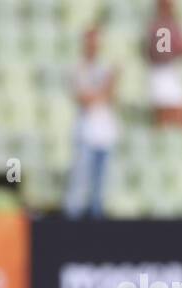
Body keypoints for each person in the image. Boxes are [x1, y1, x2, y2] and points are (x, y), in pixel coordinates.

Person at [64, 26, 118, 219]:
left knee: (100, 189)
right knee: (79, 185)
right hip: (86, 134)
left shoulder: (104, 67)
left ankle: (97, 230)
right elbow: (84, 98)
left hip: (105, 134)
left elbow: (111, 96)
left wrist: (101, 92)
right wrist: (103, 90)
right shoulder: (77, 67)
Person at [145, 0, 182, 128]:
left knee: (181, 113)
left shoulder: (173, 25)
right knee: (164, 113)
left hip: (172, 71)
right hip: (161, 73)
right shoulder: (158, 26)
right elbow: (162, 52)